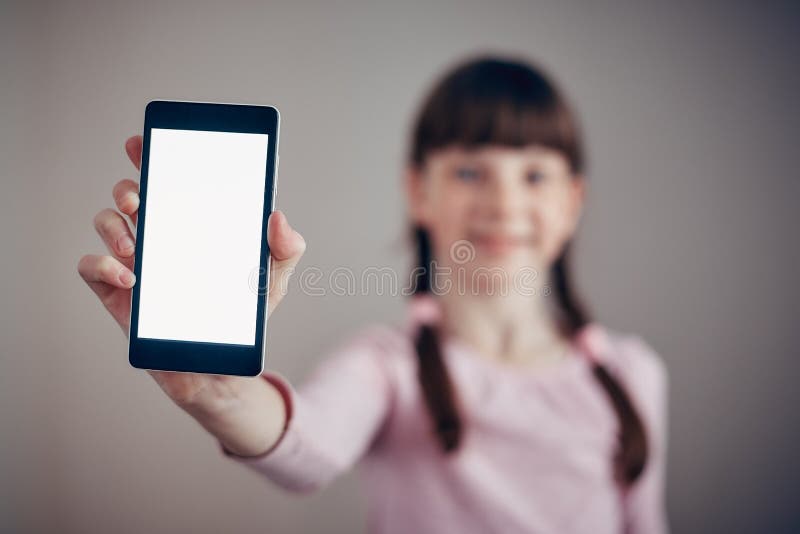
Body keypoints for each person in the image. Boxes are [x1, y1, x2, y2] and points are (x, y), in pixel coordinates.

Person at [78, 56, 669, 533]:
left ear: (572, 200)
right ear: (418, 190)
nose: (505, 203)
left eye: (534, 175)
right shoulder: (385, 367)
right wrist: (215, 393)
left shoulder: (633, 373)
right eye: (470, 172)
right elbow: (307, 450)